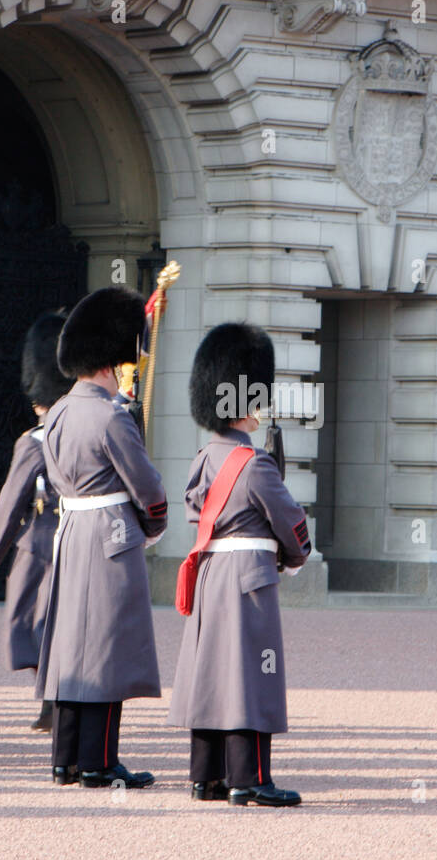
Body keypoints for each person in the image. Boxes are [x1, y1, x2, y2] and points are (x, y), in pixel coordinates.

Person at [168, 323, 311, 807]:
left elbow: (194, 510)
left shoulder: (204, 457)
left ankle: (205, 776)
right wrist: (293, 559)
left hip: (212, 572)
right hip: (249, 575)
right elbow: (292, 524)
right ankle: (248, 779)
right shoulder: (256, 463)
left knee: (213, 672)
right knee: (252, 674)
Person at [34, 286, 167, 789]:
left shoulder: (60, 412)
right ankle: (100, 763)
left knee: (73, 647)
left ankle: (65, 759)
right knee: (107, 650)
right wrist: (152, 527)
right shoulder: (111, 415)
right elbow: (147, 486)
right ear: (113, 361)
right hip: (111, 534)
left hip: (71, 532)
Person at [0, 310, 69, 732]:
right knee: (50, 622)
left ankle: (54, 697)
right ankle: (57, 695)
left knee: (29, 621)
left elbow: (11, 501)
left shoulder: (34, 440)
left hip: (41, 542)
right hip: (75, 539)